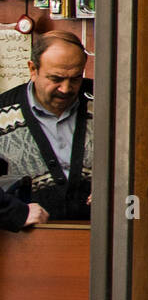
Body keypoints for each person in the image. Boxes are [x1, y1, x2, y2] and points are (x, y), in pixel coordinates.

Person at [0, 31, 92, 222]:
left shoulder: (111, 103)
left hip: (103, 240)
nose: (66, 89)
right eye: (56, 79)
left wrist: (121, 191)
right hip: (26, 244)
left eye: (75, 78)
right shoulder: (2, 113)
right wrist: (15, 213)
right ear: (33, 70)